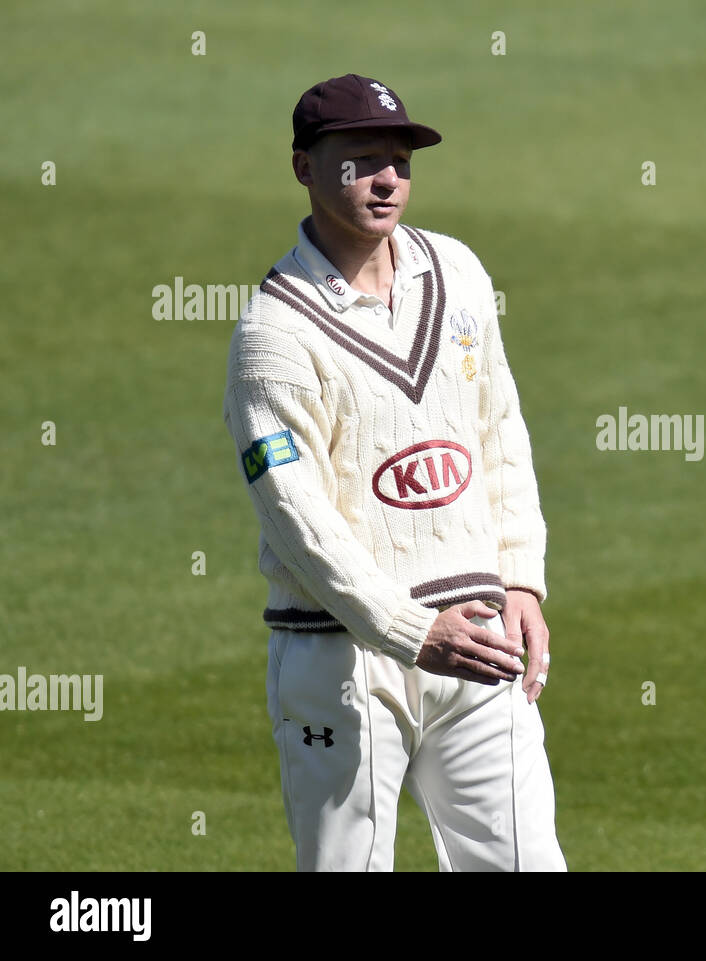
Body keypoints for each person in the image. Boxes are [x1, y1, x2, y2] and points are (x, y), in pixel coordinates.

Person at [223, 73, 565, 871]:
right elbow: (298, 519)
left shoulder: (459, 272)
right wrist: (412, 631)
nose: (386, 179)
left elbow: (500, 432)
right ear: (305, 168)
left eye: (399, 161)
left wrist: (522, 582)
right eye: (360, 160)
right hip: (342, 658)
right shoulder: (272, 335)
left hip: (480, 638)